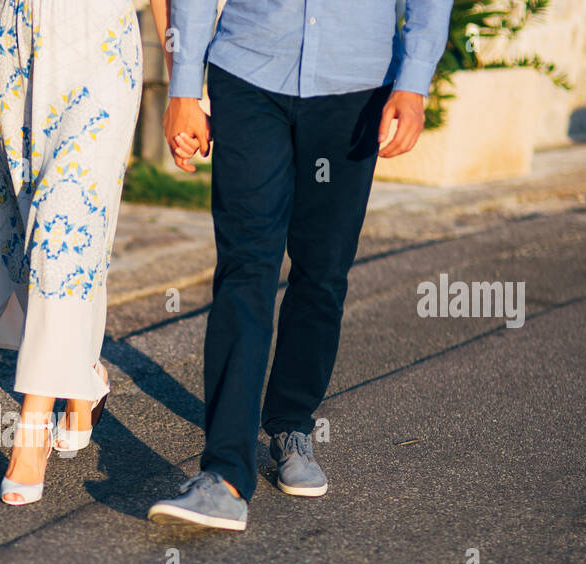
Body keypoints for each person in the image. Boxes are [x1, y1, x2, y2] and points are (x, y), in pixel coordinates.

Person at [148, 0, 453, 531]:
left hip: (353, 88)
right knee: (246, 268)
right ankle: (223, 475)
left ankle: (290, 424)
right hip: (248, 71)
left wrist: (415, 79)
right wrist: (183, 88)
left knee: (322, 269)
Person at [0, 0, 146, 505]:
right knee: (31, 228)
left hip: (102, 44)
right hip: (19, 46)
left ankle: (31, 432)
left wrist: (187, 87)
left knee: (63, 226)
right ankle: (79, 380)